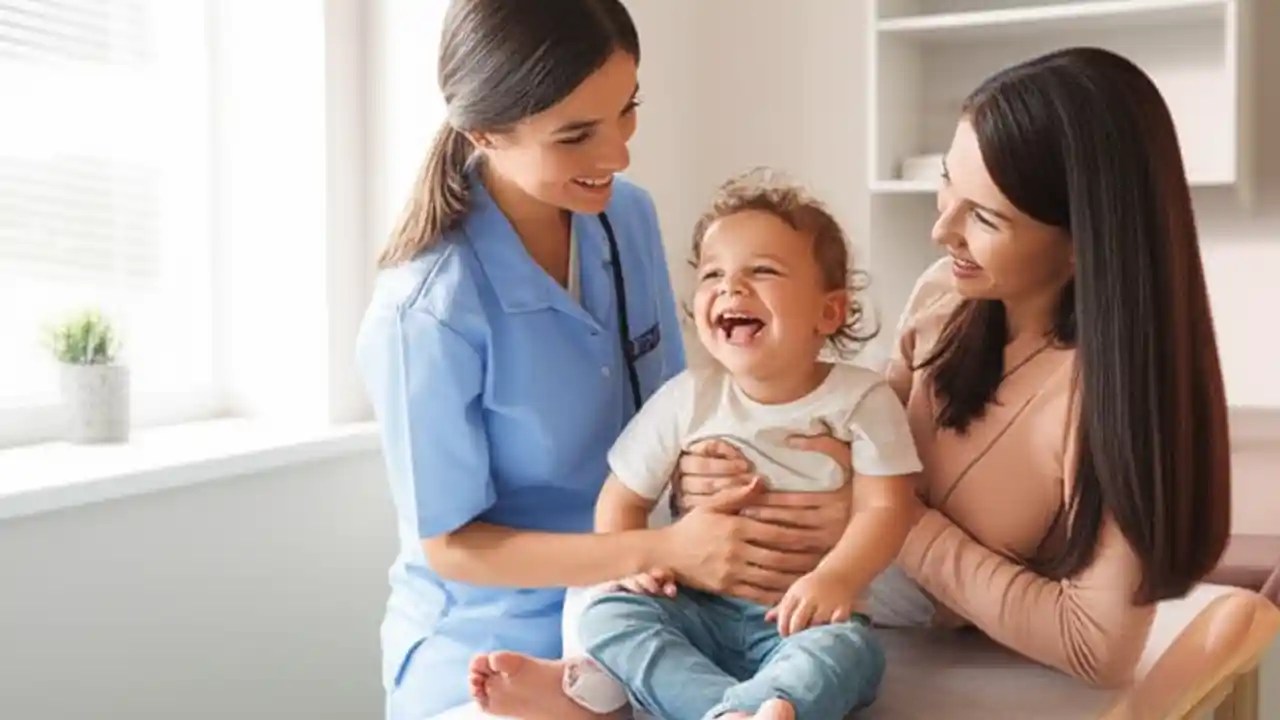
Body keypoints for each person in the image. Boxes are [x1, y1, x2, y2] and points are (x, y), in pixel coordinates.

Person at [672, 45, 1232, 691]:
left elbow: (1097, 647)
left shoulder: (1112, 400)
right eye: (947, 181)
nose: (943, 229)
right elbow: (853, 436)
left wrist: (893, 523)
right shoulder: (945, 297)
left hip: (932, 657)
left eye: (985, 217)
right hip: (835, 610)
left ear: (1083, 244)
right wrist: (715, 465)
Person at [355, 2, 847, 718]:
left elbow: (674, 414)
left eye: (627, 110)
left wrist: (724, 467)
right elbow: (454, 546)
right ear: (486, 132)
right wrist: (664, 550)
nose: (617, 154)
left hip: (644, 603)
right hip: (488, 647)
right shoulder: (425, 311)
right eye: (577, 134)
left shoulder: (625, 218)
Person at [561, 171, 922, 720]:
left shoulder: (861, 399)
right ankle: (729, 712)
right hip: (695, 606)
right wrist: (634, 556)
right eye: (713, 274)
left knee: (850, 654)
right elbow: (621, 497)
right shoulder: (687, 398)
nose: (731, 288)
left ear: (829, 312)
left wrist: (838, 577)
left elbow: (886, 508)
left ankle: (730, 708)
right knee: (606, 613)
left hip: (801, 615)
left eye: (763, 271)